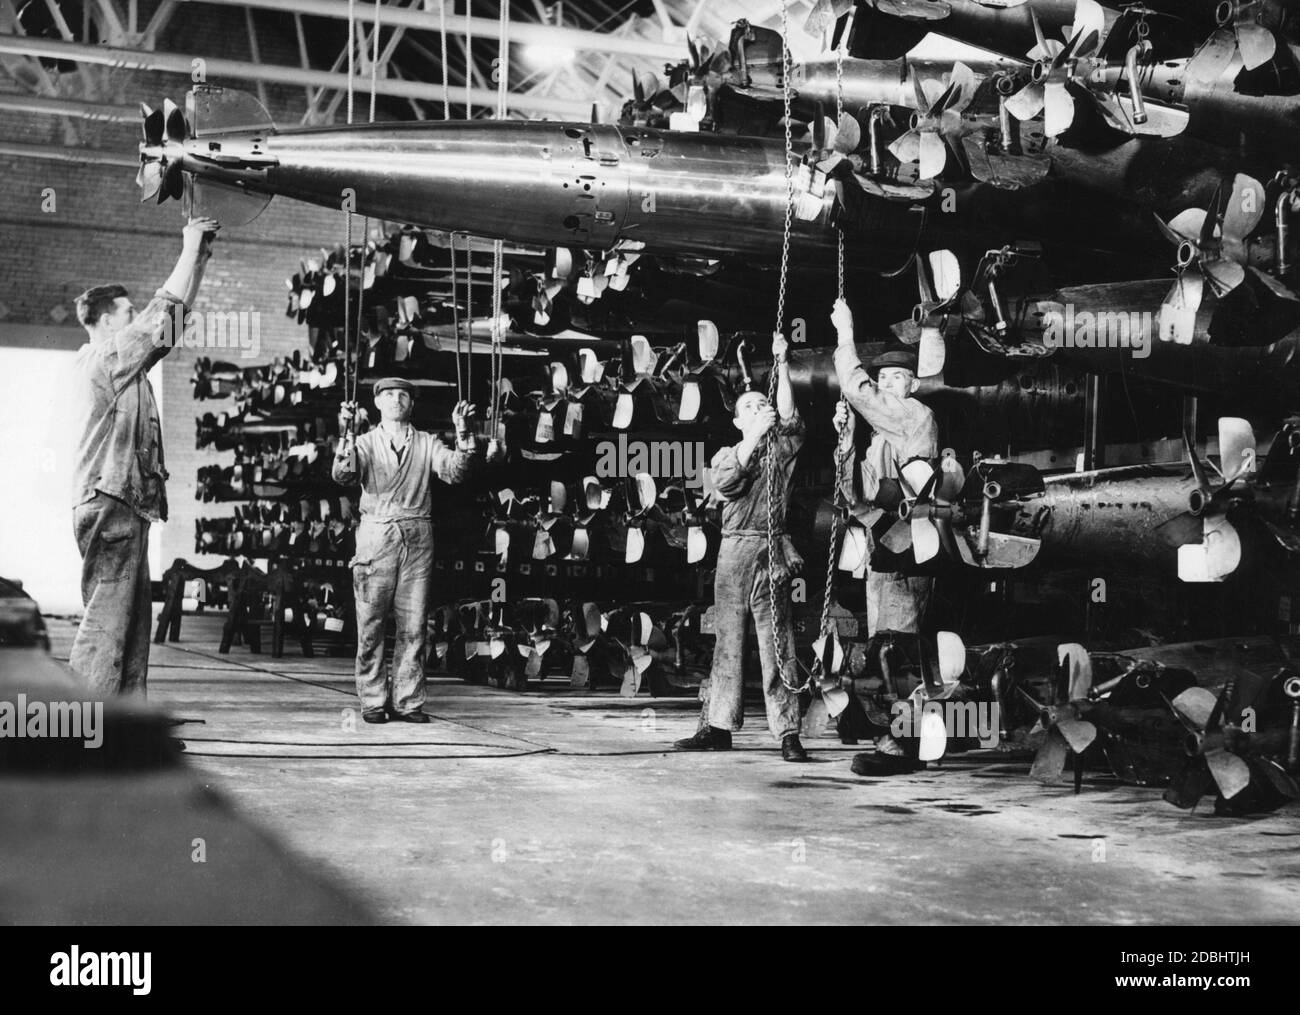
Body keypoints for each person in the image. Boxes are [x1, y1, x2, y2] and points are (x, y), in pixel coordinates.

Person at [69, 216, 221, 695]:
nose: (135, 316)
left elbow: (167, 329)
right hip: (109, 501)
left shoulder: (124, 364)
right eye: (127, 310)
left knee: (132, 621)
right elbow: (160, 315)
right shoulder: (104, 360)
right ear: (108, 320)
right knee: (106, 621)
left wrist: (197, 261)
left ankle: (125, 725)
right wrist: (187, 246)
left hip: (123, 502)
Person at [674, 333, 810, 762]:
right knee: (727, 642)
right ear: (737, 421)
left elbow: (790, 417)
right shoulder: (723, 455)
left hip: (771, 550)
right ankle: (718, 726)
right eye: (748, 407)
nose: (758, 409)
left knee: (778, 644)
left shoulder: (781, 451)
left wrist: (782, 363)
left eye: (761, 404)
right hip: (733, 553)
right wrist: (754, 434)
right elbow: (728, 484)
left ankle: (788, 732)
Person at [830, 298, 940, 775]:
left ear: (912, 385)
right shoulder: (881, 439)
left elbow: (858, 390)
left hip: (911, 544)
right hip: (884, 544)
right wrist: (846, 441)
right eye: (883, 379)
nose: (886, 385)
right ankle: (903, 737)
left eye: (896, 378)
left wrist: (845, 334)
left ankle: (904, 748)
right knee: (887, 647)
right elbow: (854, 500)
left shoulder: (914, 414)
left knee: (899, 647)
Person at [333, 379, 483, 723]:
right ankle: (372, 701)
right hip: (377, 533)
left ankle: (407, 701)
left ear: (411, 404)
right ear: (377, 404)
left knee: (414, 624)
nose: (396, 400)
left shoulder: (428, 442)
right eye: (388, 395)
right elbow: (343, 475)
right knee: (370, 624)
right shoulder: (365, 442)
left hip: (417, 535)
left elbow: (456, 472)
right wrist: (347, 433)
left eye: (403, 395)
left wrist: (463, 433)